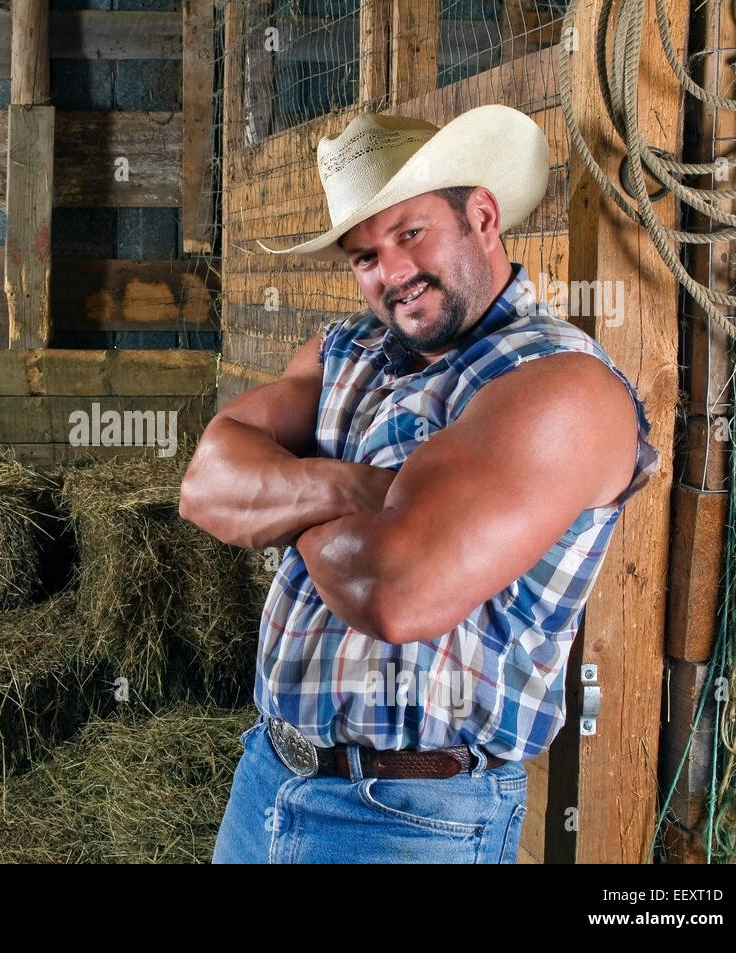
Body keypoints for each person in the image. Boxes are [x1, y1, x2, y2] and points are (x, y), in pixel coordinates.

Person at [178, 104, 661, 864]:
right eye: (364, 255)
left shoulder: (561, 385)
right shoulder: (349, 349)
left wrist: (285, 492)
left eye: (410, 233)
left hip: (412, 820)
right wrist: (363, 490)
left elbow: (392, 591)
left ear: (482, 216)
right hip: (269, 776)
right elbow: (204, 484)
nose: (391, 274)